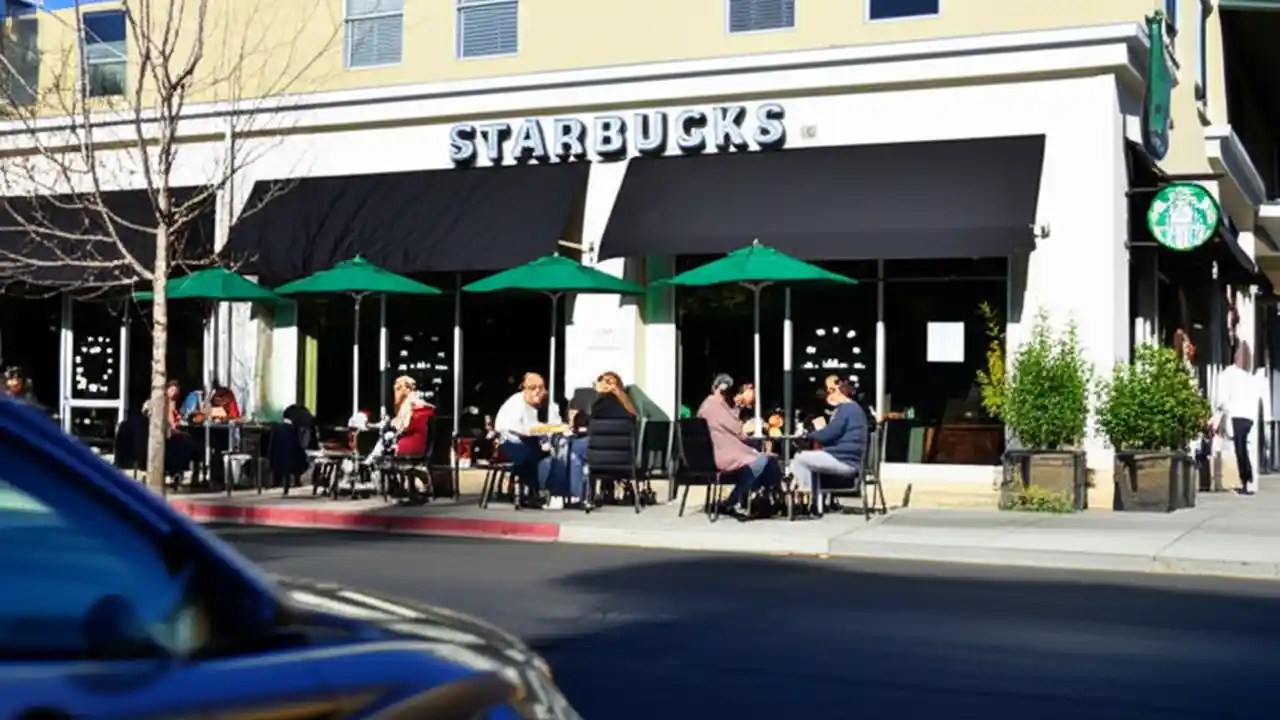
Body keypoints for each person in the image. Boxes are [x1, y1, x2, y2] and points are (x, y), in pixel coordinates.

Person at [697, 373, 782, 518]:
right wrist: (738, 407)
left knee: (767, 461)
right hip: (723, 454)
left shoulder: (708, 405)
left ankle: (751, 500)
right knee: (762, 460)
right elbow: (737, 428)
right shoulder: (714, 405)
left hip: (717, 452)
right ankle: (739, 499)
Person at [563, 371, 637, 506]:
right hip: (622, 455)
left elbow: (582, 423)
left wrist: (598, 393)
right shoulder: (624, 406)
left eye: (610, 381)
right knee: (581, 452)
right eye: (603, 380)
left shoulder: (603, 403)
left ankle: (579, 497)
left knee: (574, 449)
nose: (606, 383)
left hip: (600, 451)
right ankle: (587, 494)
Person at [494, 373, 566, 507]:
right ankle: (528, 493)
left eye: (540, 387)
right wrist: (547, 428)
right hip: (508, 442)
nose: (537, 391)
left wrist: (554, 427)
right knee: (530, 456)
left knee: (552, 456)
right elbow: (524, 429)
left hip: (529, 441)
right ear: (524, 389)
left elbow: (555, 423)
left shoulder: (545, 404)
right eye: (532, 388)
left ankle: (551, 492)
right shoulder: (516, 403)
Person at [788, 379, 868, 495]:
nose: (829, 395)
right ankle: (813, 500)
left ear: (841, 392)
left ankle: (807, 498)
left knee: (799, 458)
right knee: (807, 461)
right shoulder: (855, 409)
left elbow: (829, 435)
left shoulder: (846, 409)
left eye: (832, 391)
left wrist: (808, 435)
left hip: (844, 461)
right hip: (851, 460)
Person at [1213, 342, 1264, 495]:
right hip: (1239, 415)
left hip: (1243, 415)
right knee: (1241, 447)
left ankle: (1246, 478)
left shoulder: (1246, 376)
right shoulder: (1234, 375)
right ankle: (1246, 478)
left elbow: (1223, 399)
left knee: (1241, 448)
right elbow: (1223, 399)